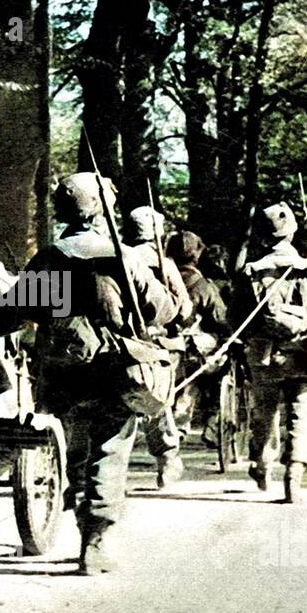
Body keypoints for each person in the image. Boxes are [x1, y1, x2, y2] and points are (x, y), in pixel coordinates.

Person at [0, 173, 179, 574]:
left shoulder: (53, 257)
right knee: (110, 453)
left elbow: (15, 312)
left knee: (77, 453)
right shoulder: (122, 256)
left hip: (63, 374)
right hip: (116, 371)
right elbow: (164, 311)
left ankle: (84, 528)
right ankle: (94, 544)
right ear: (103, 207)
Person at [230, 203, 307, 502]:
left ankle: (261, 463)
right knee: (300, 415)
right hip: (303, 354)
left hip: (264, 357)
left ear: (263, 236)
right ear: (292, 233)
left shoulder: (251, 273)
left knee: (264, 414)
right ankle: (294, 473)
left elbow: (236, 318)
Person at [121, 206, 191, 487]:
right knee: (155, 396)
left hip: (115, 335)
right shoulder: (162, 262)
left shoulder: (115, 253)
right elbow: (183, 307)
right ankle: (166, 459)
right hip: (152, 340)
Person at [167, 230, 230, 448]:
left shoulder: (157, 279)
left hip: (161, 346)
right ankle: (211, 420)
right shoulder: (204, 286)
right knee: (219, 362)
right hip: (192, 351)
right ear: (197, 255)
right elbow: (221, 320)